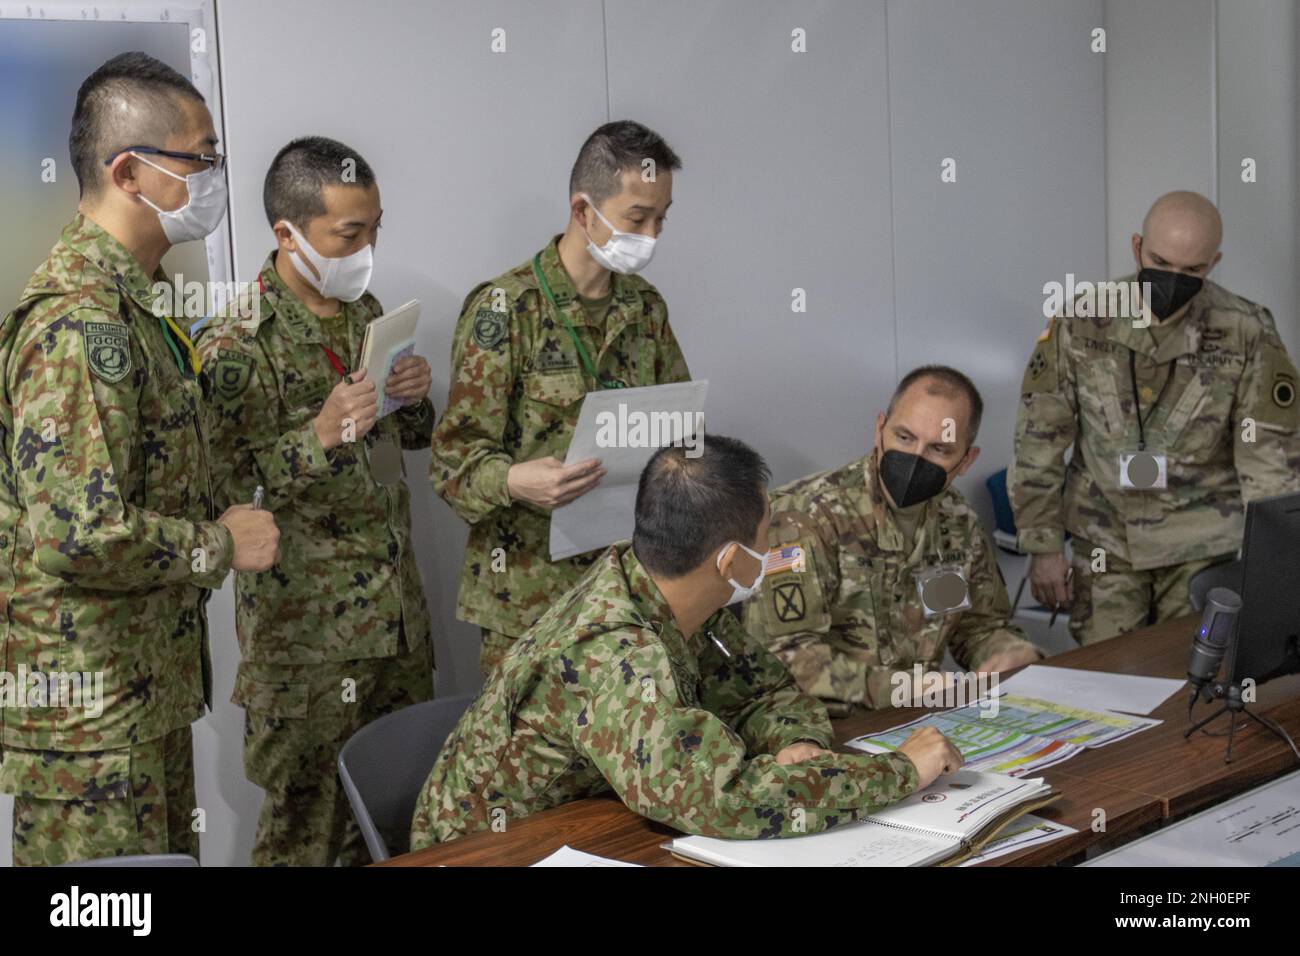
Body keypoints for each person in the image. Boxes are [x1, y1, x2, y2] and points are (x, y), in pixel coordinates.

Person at [0, 52, 279, 866]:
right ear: (129, 171)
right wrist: (221, 543)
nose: (218, 177)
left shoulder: (135, 308)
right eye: (203, 158)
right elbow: (76, 534)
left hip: (136, 699)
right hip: (90, 725)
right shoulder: (80, 326)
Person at [411, 435, 961, 847]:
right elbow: (725, 797)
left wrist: (800, 745)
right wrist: (901, 771)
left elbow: (767, 694)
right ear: (730, 559)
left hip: (591, 826)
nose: (774, 548)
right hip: (487, 850)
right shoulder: (616, 653)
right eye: (767, 533)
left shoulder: (675, 589)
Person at [194, 136, 435, 865]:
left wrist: (411, 399)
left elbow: (399, 447)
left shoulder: (368, 314)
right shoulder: (237, 346)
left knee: (397, 828)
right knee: (305, 841)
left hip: (396, 628)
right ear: (287, 235)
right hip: (308, 656)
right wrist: (317, 436)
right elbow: (215, 501)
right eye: (349, 234)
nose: (367, 249)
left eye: (375, 228)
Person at [431, 120, 690, 678]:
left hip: (624, 591)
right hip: (526, 600)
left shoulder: (646, 310)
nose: (651, 236)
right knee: (528, 761)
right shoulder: (505, 309)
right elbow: (451, 466)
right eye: (637, 218)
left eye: (661, 219)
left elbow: (677, 433)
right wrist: (514, 480)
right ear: (582, 211)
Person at [1011, 191, 1300, 645]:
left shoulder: (1247, 330)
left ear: (1214, 262)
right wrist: (1043, 546)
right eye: (1161, 262)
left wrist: (1274, 564)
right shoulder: (1081, 321)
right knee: (1105, 680)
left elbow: (1270, 458)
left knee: (1192, 680)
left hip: (1202, 546)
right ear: (1136, 247)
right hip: (1104, 540)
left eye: (1193, 271)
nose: (1173, 279)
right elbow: (1038, 440)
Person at [745, 366, 1041, 716]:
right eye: (904, 437)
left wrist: (1006, 652)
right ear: (879, 428)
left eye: (938, 449)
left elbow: (977, 625)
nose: (915, 459)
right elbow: (785, 657)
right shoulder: (806, 516)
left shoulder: (957, 521)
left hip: (922, 719)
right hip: (821, 729)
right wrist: (901, 689)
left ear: (966, 460)